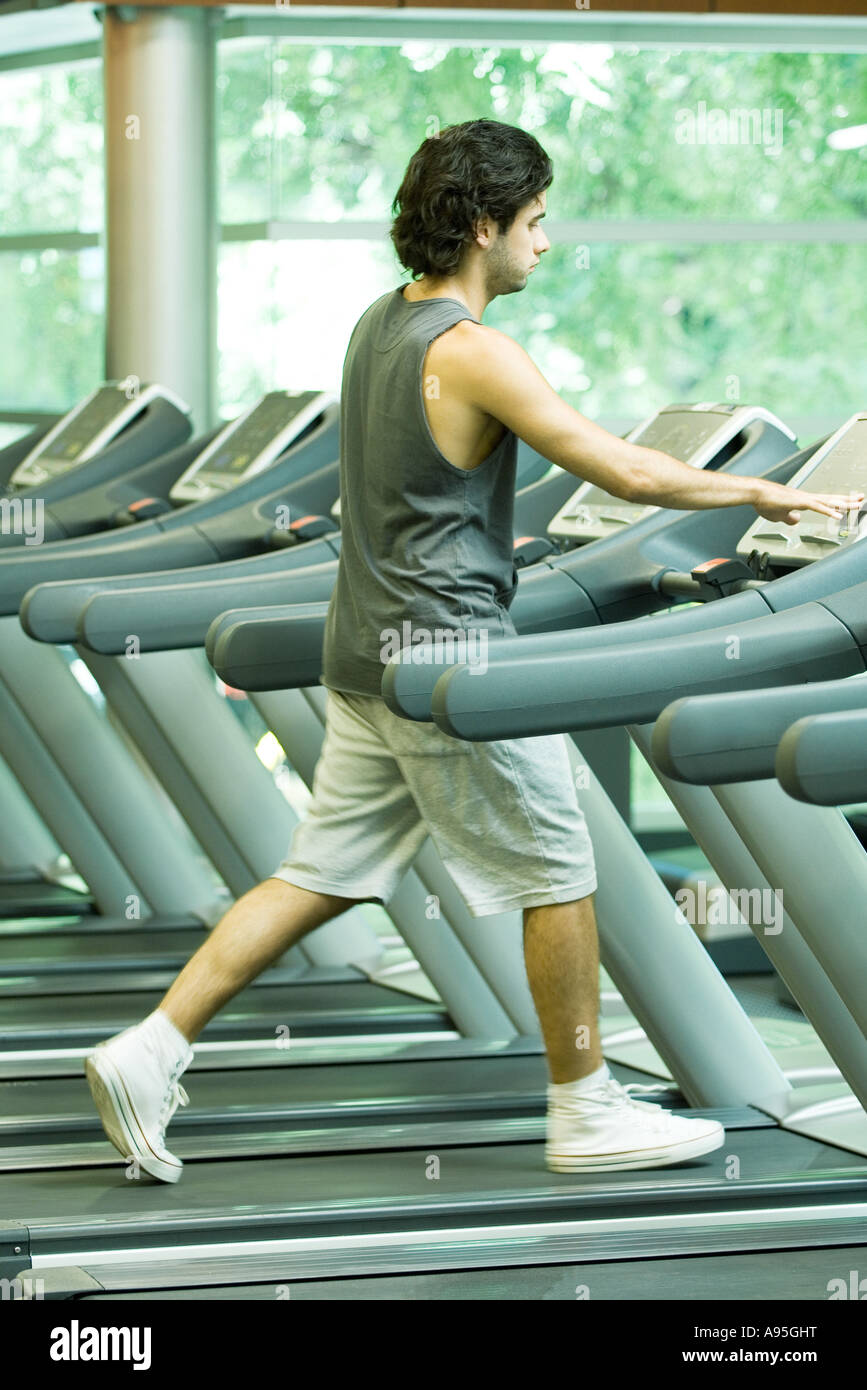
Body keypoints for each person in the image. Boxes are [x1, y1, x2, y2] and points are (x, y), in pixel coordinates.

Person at [85, 118, 858, 1184]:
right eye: (535, 222)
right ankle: (584, 1107)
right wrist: (775, 492)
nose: (546, 242)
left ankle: (149, 1047)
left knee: (321, 871)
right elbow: (623, 472)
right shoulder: (474, 350)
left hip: (365, 651)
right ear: (484, 223)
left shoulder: (378, 323)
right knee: (560, 870)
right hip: (452, 666)